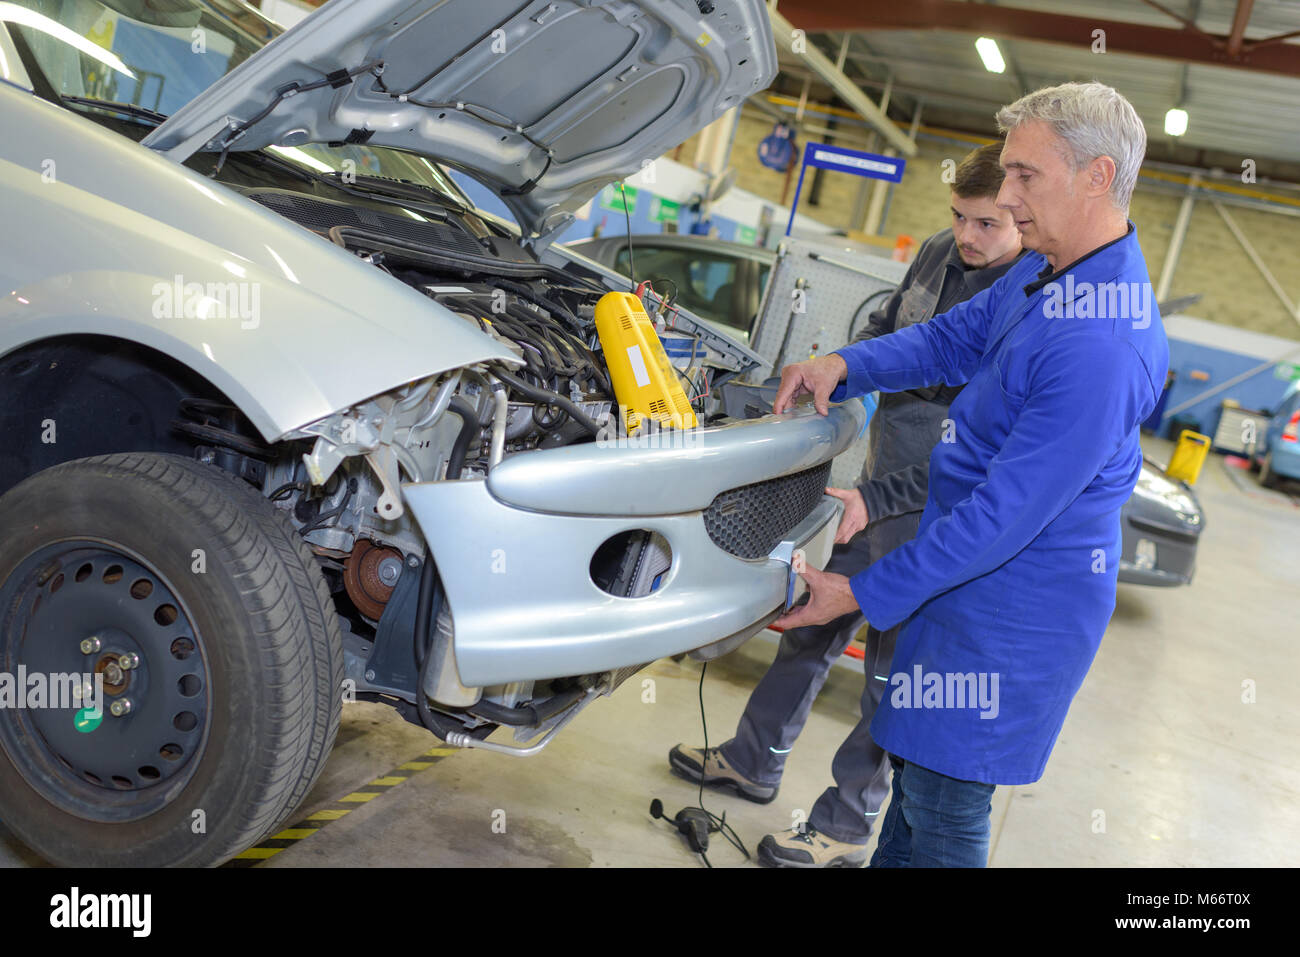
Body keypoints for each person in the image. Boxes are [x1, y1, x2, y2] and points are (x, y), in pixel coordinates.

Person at [772, 81, 1169, 867]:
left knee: (948, 808)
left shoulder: (1102, 342)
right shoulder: (1047, 271)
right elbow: (947, 340)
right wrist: (844, 364)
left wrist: (858, 592)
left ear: (1096, 177)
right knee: (917, 793)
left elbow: (1004, 515)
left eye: (1026, 176)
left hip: (1013, 614)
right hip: (963, 584)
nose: (1009, 197)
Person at [668, 143, 1024, 867]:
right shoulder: (936, 253)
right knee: (808, 624)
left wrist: (876, 493)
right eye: (958, 216)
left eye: (987, 224)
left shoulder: (1025, 302)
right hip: (873, 490)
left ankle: (845, 825)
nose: (967, 236)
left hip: (935, 514)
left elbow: (984, 452)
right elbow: (889, 326)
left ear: (1024, 215)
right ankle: (754, 760)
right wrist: (844, 373)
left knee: (889, 677)